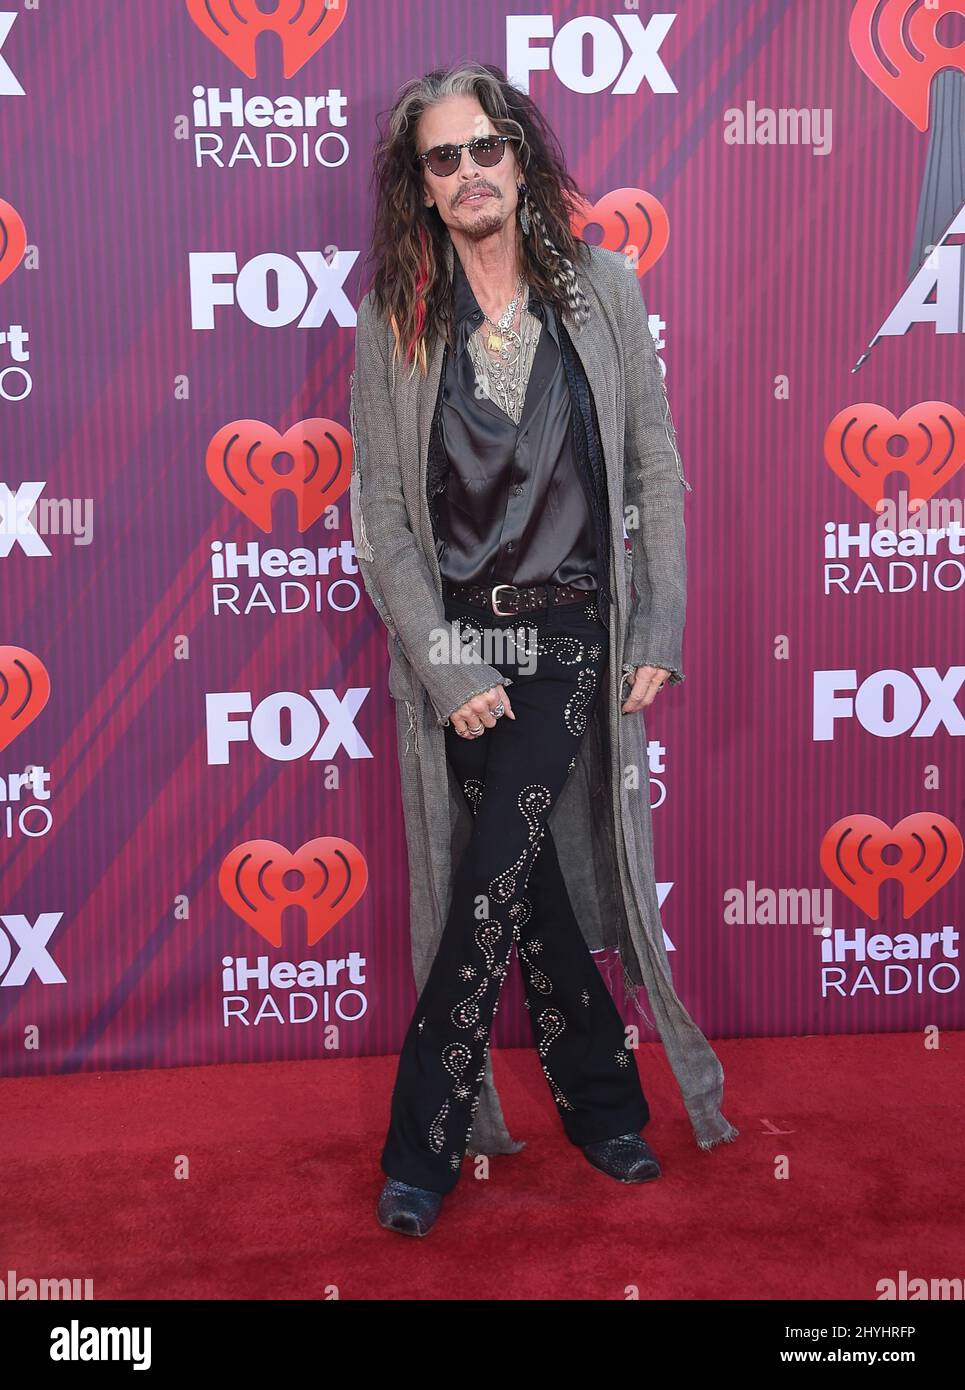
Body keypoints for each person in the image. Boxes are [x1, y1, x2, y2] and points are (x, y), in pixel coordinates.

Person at [350, 62, 738, 1238]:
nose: (468, 173)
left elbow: (654, 469)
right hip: (460, 649)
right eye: (441, 158)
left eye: (485, 149)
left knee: (490, 879)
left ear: (519, 157)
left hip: (570, 629)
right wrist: (447, 669)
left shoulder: (603, 291)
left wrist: (657, 622)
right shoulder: (396, 319)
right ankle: (605, 1099)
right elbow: (381, 516)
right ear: (419, 188)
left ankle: (420, 1142)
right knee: (527, 890)